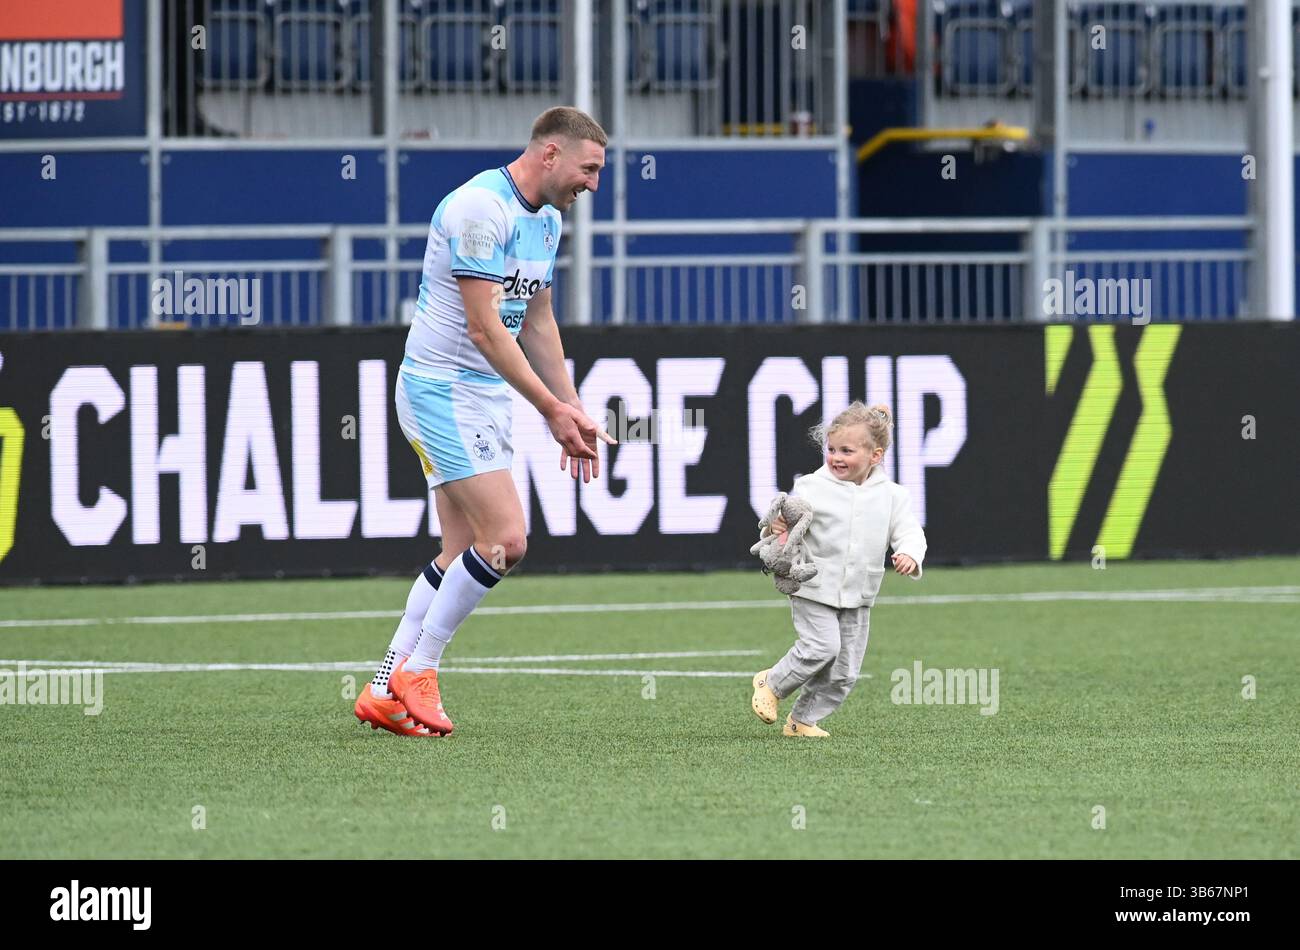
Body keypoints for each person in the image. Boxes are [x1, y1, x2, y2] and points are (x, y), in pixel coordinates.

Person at [354, 106, 615, 737]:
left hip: (482, 395)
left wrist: (572, 406)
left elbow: (538, 321)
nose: (593, 185)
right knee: (506, 541)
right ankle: (421, 670)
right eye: (589, 169)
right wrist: (548, 410)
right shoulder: (479, 208)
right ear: (550, 154)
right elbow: (484, 327)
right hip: (440, 390)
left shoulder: (547, 220)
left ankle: (385, 686)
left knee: (458, 551)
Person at [750, 403, 926, 737]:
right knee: (822, 647)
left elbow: (909, 531)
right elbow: (784, 525)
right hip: (813, 586)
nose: (836, 457)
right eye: (831, 449)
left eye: (846, 451)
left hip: (859, 594)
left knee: (844, 672)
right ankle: (772, 684)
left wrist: (909, 553)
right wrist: (776, 527)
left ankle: (802, 721)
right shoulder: (811, 487)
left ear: (875, 455)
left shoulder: (893, 496)